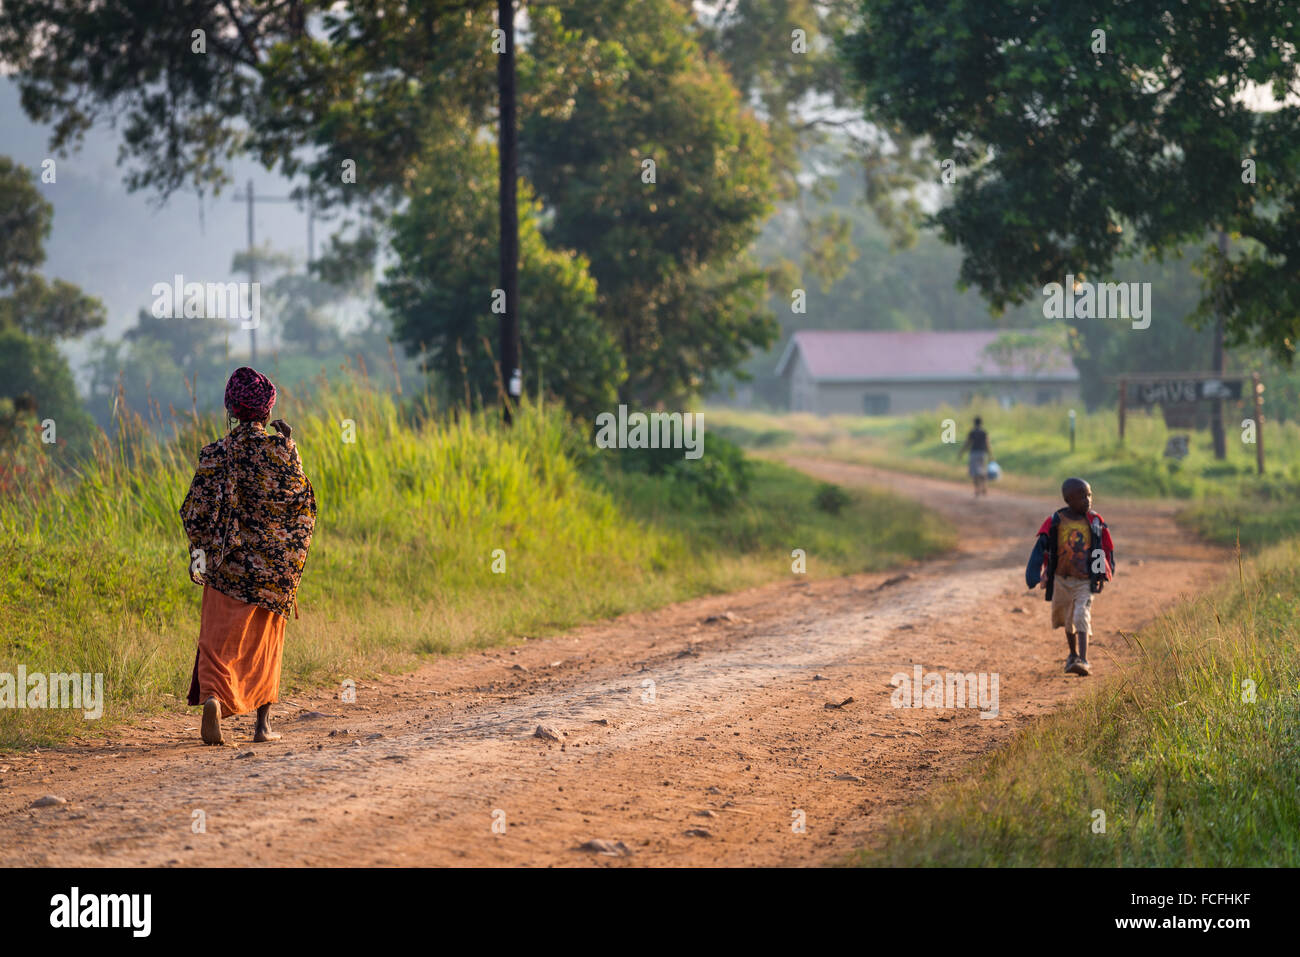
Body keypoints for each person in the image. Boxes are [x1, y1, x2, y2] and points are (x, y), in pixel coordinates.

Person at [180, 367, 317, 744]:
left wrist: (205, 553)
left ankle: (212, 698)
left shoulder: (215, 453)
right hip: (272, 574)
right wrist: (291, 448)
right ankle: (262, 725)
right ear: (267, 412)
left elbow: (195, 509)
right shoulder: (281, 452)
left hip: (227, 567)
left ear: (231, 407)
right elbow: (301, 501)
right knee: (265, 644)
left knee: (216, 640)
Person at [1025, 478, 1115, 677]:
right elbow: (1041, 548)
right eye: (1082, 496)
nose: (1087, 500)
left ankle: (1083, 660)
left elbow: (1101, 549)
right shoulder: (1056, 521)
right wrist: (1038, 575)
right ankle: (1072, 655)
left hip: (1085, 580)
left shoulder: (1094, 521)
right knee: (1067, 619)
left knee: (1080, 615)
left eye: (1089, 495)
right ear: (1068, 499)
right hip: (1061, 579)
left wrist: (1100, 574)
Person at [957, 417, 992, 497]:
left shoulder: (972, 432)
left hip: (974, 453)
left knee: (975, 472)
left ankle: (977, 490)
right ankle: (984, 487)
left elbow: (967, 443)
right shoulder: (984, 432)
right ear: (981, 423)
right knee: (983, 471)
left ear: (974, 423)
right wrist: (990, 455)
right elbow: (988, 444)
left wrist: (961, 453)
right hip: (983, 453)